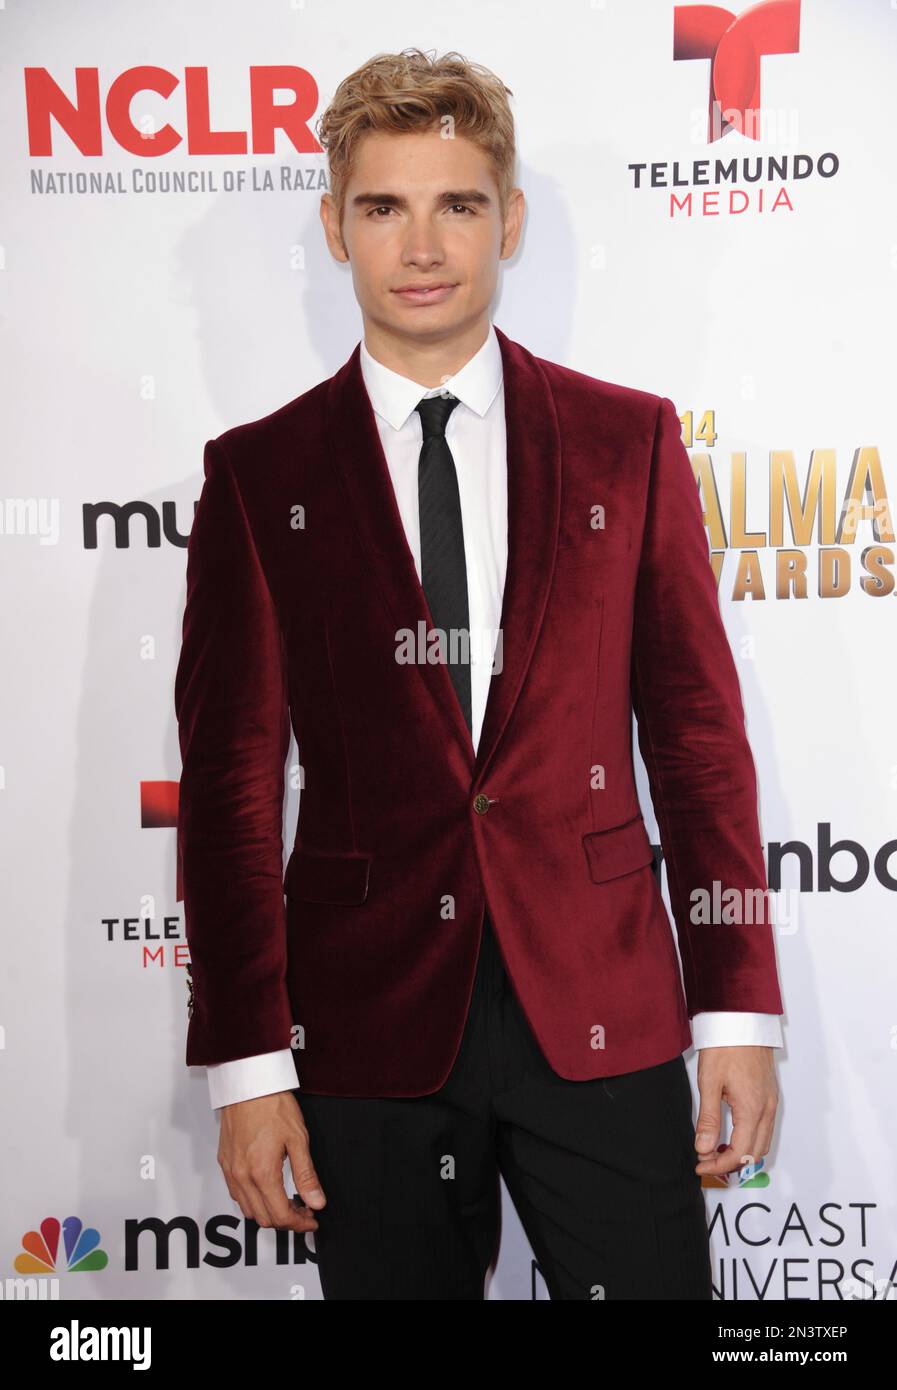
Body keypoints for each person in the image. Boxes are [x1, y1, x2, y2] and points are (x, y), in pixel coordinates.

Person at [174, 47, 784, 1300]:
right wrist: (248, 1067)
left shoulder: (629, 440)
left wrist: (736, 1013)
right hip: (366, 1026)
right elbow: (231, 792)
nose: (422, 243)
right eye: (383, 207)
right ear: (337, 229)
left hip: (601, 1001)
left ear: (506, 218)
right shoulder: (261, 475)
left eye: (457, 203)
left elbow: (698, 742)